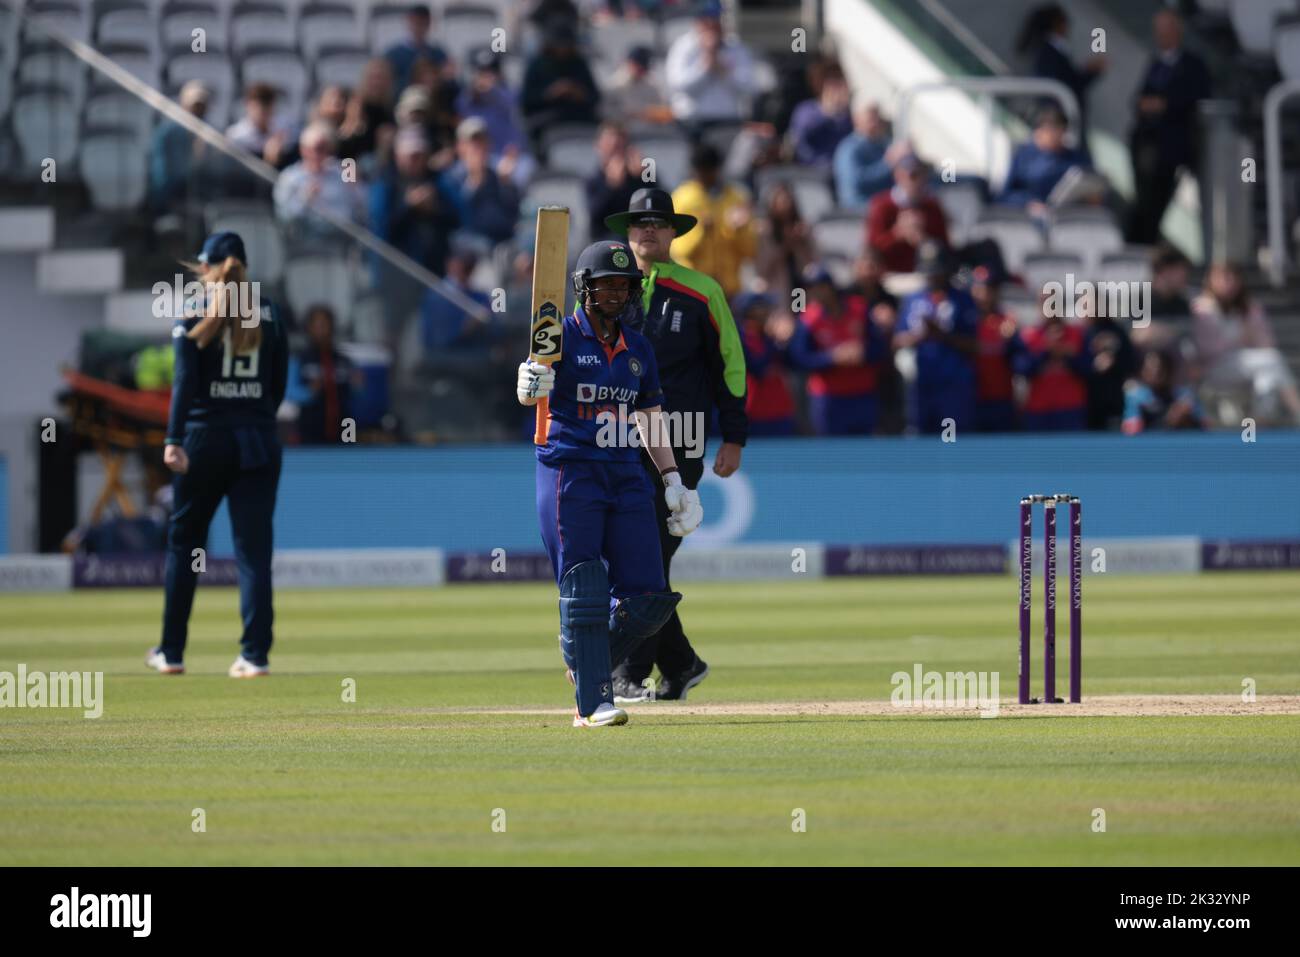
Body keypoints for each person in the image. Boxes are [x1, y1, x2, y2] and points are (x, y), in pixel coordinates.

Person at [516, 240, 703, 728]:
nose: (618, 294)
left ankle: (582, 660)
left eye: (625, 285)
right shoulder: (558, 336)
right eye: (608, 286)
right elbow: (534, 382)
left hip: (625, 473)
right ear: (585, 289)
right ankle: (592, 703)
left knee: (650, 600)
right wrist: (528, 382)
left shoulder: (639, 347)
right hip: (570, 469)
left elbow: (651, 415)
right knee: (585, 585)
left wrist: (673, 480)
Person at [604, 187, 748, 702]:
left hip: (681, 439)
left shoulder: (702, 290)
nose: (647, 231)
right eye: (638, 223)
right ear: (627, 232)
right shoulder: (605, 288)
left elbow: (729, 363)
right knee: (636, 558)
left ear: (673, 232)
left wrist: (734, 436)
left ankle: (629, 671)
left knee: (648, 556)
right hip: (615, 438)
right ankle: (682, 664)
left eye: (657, 223)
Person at [148, 231, 289, 677]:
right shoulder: (269, 312)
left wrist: (173, 439)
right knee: (253, 552)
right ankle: (254, 655)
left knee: (184, 544)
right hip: (258, 441)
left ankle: (171, 652)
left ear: (208, 267)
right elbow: (278, 385)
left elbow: (185, 384)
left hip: (204, 440)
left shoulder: (191, 311)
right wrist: (258, 418)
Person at [1125, 8, 1211, 244]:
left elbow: (1196, 97)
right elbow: (1139, 99)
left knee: (1156, 201)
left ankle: (1144, 243)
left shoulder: (1192, 65)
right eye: (1158, 31)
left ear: (1177, 31)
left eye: (1165, 30)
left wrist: (1165, 104)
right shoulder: (1156, 63)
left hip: (1171, 147)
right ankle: (1137, 245)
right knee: (1143, 201)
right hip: (1146, 144)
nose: (1161, 35)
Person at [1191, 262, 1300, 425]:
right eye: (1223, 278)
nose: (1229, 283)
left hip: (1251, 367)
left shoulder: (1250, 307)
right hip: (1214, 369)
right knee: (1272, 361)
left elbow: (1267, 342)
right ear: (1210, 281)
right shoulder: (1201, 308)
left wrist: (1249, 337)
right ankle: (1297, 410)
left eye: (1233, 278)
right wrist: (1238, 340)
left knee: (1268, 381)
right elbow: (1206, 350)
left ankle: (1255, 429)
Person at [786, 264, 888, 435]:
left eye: (820, 287)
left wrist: (862, 353)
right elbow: (799, 358)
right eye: (811, 288)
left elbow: (879, 348)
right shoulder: (809, 319)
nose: (817, 293)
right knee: (832, 455)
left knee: (864, 452)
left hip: (862, 393)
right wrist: (832, 358)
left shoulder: (859, 309)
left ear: (831, 287)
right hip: (829, 397)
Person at [894, 243, 978, 434]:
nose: (933, 277)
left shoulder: (962, 300)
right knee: (921, 439)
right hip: (922, 382)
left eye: (938, 271)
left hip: (953, 384)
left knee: (952, 441)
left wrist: (942, 335)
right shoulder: (913, 299)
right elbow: (897, 339)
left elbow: (973, 345)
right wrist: (920, 336)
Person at [670, 143, 757, 298]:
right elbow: (679, 250)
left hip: (728, 290)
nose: (707, 175)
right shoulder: (682, 198)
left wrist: (738, 230)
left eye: (710, 170)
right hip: (692, 287)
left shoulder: (736, 198)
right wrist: (701, 232)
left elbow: (750, 252)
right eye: (702, 171)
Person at [1014, 3, 1105, 150]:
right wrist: (1090, 73)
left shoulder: (1050, 51)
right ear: (1057, 24)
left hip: (1061, 120)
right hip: (1057, 121)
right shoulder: (1047, 52)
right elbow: (1064, 84)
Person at [663, 1, 754, 131]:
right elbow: (680, 86)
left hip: (728, 120)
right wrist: (705, 66)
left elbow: (748, 86)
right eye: (706, 20)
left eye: (715, 20)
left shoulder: (737, 48)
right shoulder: (683, 47)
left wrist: (721, 69)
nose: (711, 25)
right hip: (691, 121)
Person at [273, 123, 367, 242]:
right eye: (317, 148)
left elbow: (361, 205)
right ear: (303, 150)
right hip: (306, 243)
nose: (321, 154)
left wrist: (356, 184)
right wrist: (304, 199)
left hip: (341, 241)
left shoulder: (341, 171)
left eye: (325, 148)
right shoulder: (289, 177)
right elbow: (284, 217)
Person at [520, 19, 601, 150]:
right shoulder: (537, 64)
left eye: (566, 44)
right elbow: (526, 101)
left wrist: (577, 92)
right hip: (547, 114)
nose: (563, 48)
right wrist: (550, 93)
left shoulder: (579, 63)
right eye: (559, 44)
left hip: (577, 113)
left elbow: (595, 97)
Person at [1015, 294, 1090, 431]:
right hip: (1039, 409)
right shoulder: (1029, 335)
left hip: (1070, 408)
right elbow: (1023, 369)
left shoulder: (1076, 334)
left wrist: (1066, 354)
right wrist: (1046, 350)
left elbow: (1087, 368)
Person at [998, 108, 1090, 216]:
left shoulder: (1076, 159)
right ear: (1038, 131)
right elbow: (1005, 194)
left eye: (1056, 130)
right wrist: (1028, 203)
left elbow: (1088, 186)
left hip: (1069, 217)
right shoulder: (1024, 157)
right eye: (1047, 130)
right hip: (1027, 218)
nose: (1051, 136)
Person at [867, 154, 949, 273]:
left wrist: (923, 239)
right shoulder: (882, 206)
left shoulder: (932, 207)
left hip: (928, 277)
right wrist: (898, 233)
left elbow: (946, 249)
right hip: (890, 276)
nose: (917, 181)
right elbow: (872, 250)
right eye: (912, 176)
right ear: (897, 176)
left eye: (921, 175)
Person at [970, 265, 1025, 432]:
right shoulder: (966, 321)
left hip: (1001, 398)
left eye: (989, 289)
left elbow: (1019, 359)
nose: (984, 294)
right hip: (973, 397)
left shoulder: (1007, 320)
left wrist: (1012, 339)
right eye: (980, 289)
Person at [734, 291, 797, 436]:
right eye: (763, 308)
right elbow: (758, 369)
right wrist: (776, 340)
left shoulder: (768, 337)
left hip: (781, 410)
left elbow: (793, 361)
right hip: (754, 412)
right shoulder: (741, 338)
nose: (769, 312)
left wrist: (786, 338)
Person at [294, 305, 357, 444]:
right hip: (311, 426)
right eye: (317, 325)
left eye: (325, 325)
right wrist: (308, 392)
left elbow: (357, 395)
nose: (321, 330)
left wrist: (358, 386)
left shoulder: (343, 361)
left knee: (347, 459)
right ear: (309, 329)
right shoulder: (300, 359)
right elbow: (289, 392)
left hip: (346, 425)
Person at [149, 80, 212, 213]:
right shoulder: (167, 134)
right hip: (173, 199)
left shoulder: (212, 136)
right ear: (184, 105)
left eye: (202, 106)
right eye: (195, 106)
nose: (198, 111)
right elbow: (161, 175)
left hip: (202, 197)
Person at [786, 63, 853, 169]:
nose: (837, 89)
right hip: (812, 170)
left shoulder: (848, 115)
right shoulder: (806, 109)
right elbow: (803, 136)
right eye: (833, 84)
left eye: (840, 82)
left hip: (839, 169)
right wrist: (828, 112)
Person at [833, 100, 895, 212]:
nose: (875, 123)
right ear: (856, 120)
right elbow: (857, 181)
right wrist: (889, 163)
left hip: (884, 205)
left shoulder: (883, 144)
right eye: (871, 119)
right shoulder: (848, 149)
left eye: (877, 118)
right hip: (858, 210)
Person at [1122, 350, 1206, 433]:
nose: (1154, 374)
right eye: (1149, 370)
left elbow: (1204, 427)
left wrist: (1187, 419)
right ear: (1142, 371)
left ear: (1168, 371)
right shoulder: (1136, 397)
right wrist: (1165, 421)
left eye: (1159, 370)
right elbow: (1131, 431)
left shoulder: (1184, 396)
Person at [586, 122, 644, 242]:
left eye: (619, 147)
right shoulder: (593, 180)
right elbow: (594, 217)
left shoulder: (639, 175)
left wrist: (641, 179)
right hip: (605, 240)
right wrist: (611, 187)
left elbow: (656, 206)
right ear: (598, 146)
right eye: (610, 146)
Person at [384, 3, 448, 93]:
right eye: (416, 23)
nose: (419, 27)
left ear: (429, 24)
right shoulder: (392, 55)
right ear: (408, 22)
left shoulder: (439, 54)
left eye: (423, 23)